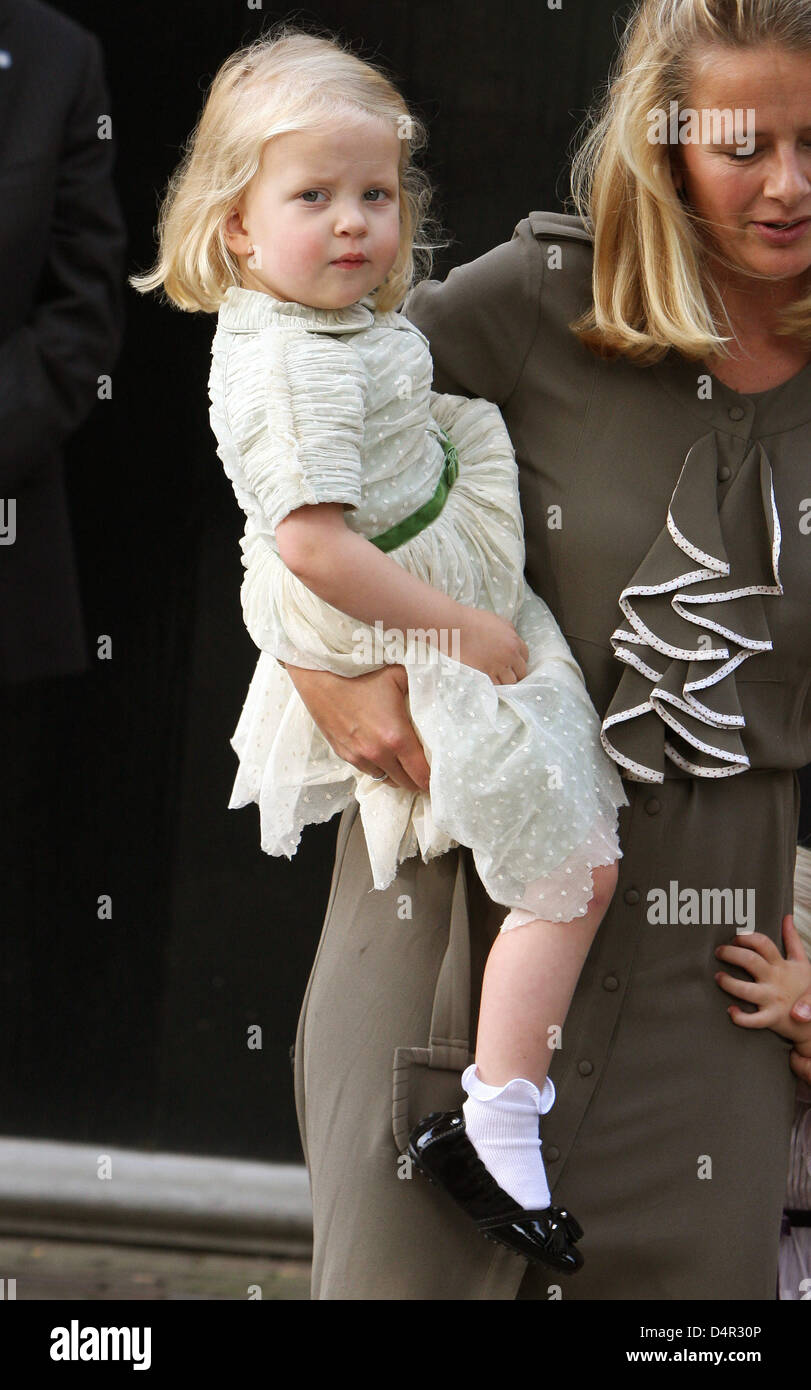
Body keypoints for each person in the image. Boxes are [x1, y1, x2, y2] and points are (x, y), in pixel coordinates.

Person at [280, 0, 811, 1299]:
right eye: (743, 145)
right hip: (443, 956)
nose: (788, 185)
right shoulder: (536, 300)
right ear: (663, 142)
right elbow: (296, 470)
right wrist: (320, 673)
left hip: (714, 1011)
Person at [130, 23, 630, 1273]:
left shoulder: (333, 329)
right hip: (409, 619)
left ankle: (501, 1100)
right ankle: (498, 1111)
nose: (355, 222)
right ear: (235, 226)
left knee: (560, 835)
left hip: (427, 588)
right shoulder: (287, 369)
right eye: (313, 197)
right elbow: (307, 547)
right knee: (571, 861)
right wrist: (459, 624)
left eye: (376, 194)